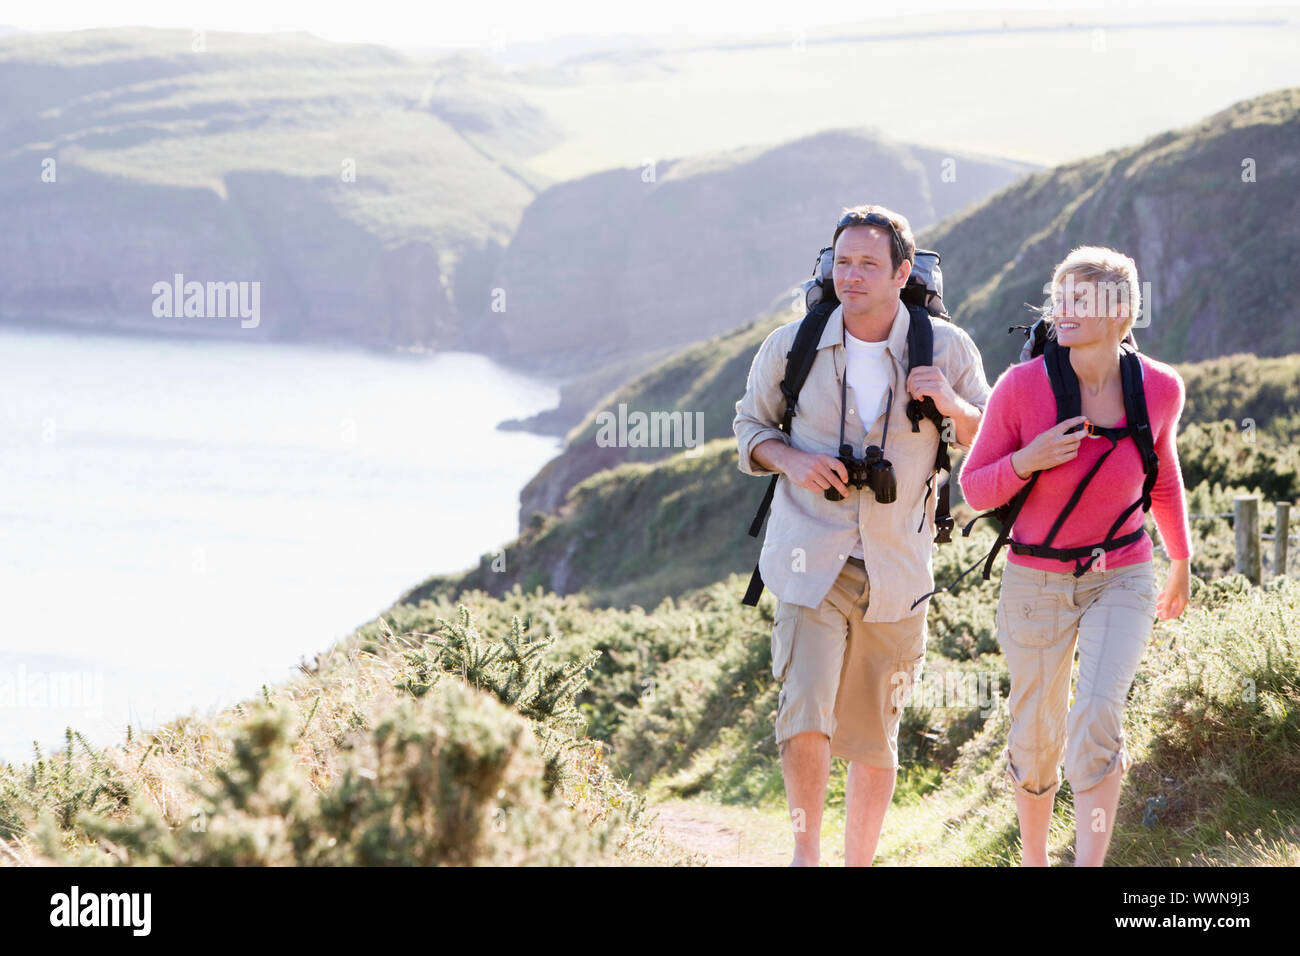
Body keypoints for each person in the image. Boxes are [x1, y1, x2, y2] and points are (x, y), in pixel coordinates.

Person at [732, 204, 992, 865]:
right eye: (843, 262)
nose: (852, 276)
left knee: (876, 737)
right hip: (807, 557)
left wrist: (951, 404)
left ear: (902, 272)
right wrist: (793, 460)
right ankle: (806, 855)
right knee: (806, 712)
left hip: (899, 569)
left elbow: (987, 439)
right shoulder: (790, 344)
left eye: (869, 264)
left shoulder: (948, 348)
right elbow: (749, 429)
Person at [959, 245, 1192, 866]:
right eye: (1060, 297)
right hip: (1034, 579)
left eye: (1082, 301)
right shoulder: (1021, 387)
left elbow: (1162, 476)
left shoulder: (1160, 388)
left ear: (1125, 313)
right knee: (1036, 736)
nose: (1064, 311)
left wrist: (1181, 559)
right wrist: (1026, 460)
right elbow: (976, 484)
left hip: (1123, 572)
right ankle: (1034, 860)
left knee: (1095, 712)